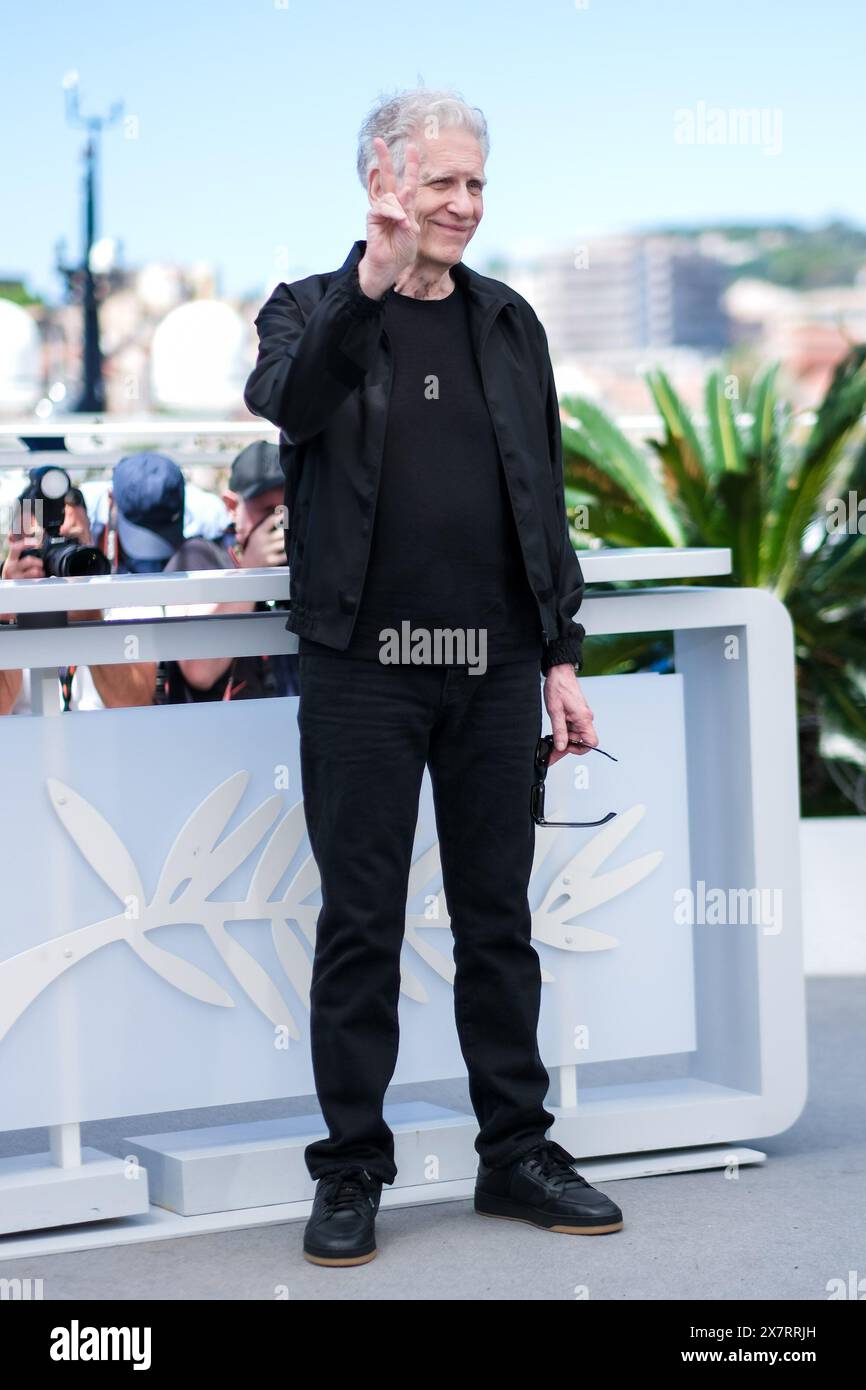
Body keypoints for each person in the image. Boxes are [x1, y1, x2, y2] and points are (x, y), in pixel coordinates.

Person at [244, 87, 623, 1267]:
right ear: (382, 182)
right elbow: (286, 407)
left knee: (497, 922)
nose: (460, 206)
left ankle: (514, 1153)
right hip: (362, 667)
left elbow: (539, 497)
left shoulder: (507, 322)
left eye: (474, 186)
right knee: (359, 925)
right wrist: (370, 279)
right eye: (440, 183)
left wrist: (559, 654)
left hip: (494, 663)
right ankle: (350, 1170)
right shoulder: (308, 307)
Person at [0, 476, 160, 715]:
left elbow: (135, 703)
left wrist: (91, 619)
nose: (59, 555)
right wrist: (9, 614)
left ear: (91, 538)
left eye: (72, 542)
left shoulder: (128, 600)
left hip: (106, 749)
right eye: (46, 545)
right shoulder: (5, 605)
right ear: (14, 543)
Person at [157, 441, 299, 701]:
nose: (280, 523)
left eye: (287, 510)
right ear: (232, 507)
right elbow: (199, 670)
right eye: (267, 511)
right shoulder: (201, 557)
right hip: (230, 730)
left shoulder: (307, 562)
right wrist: (251, 573)